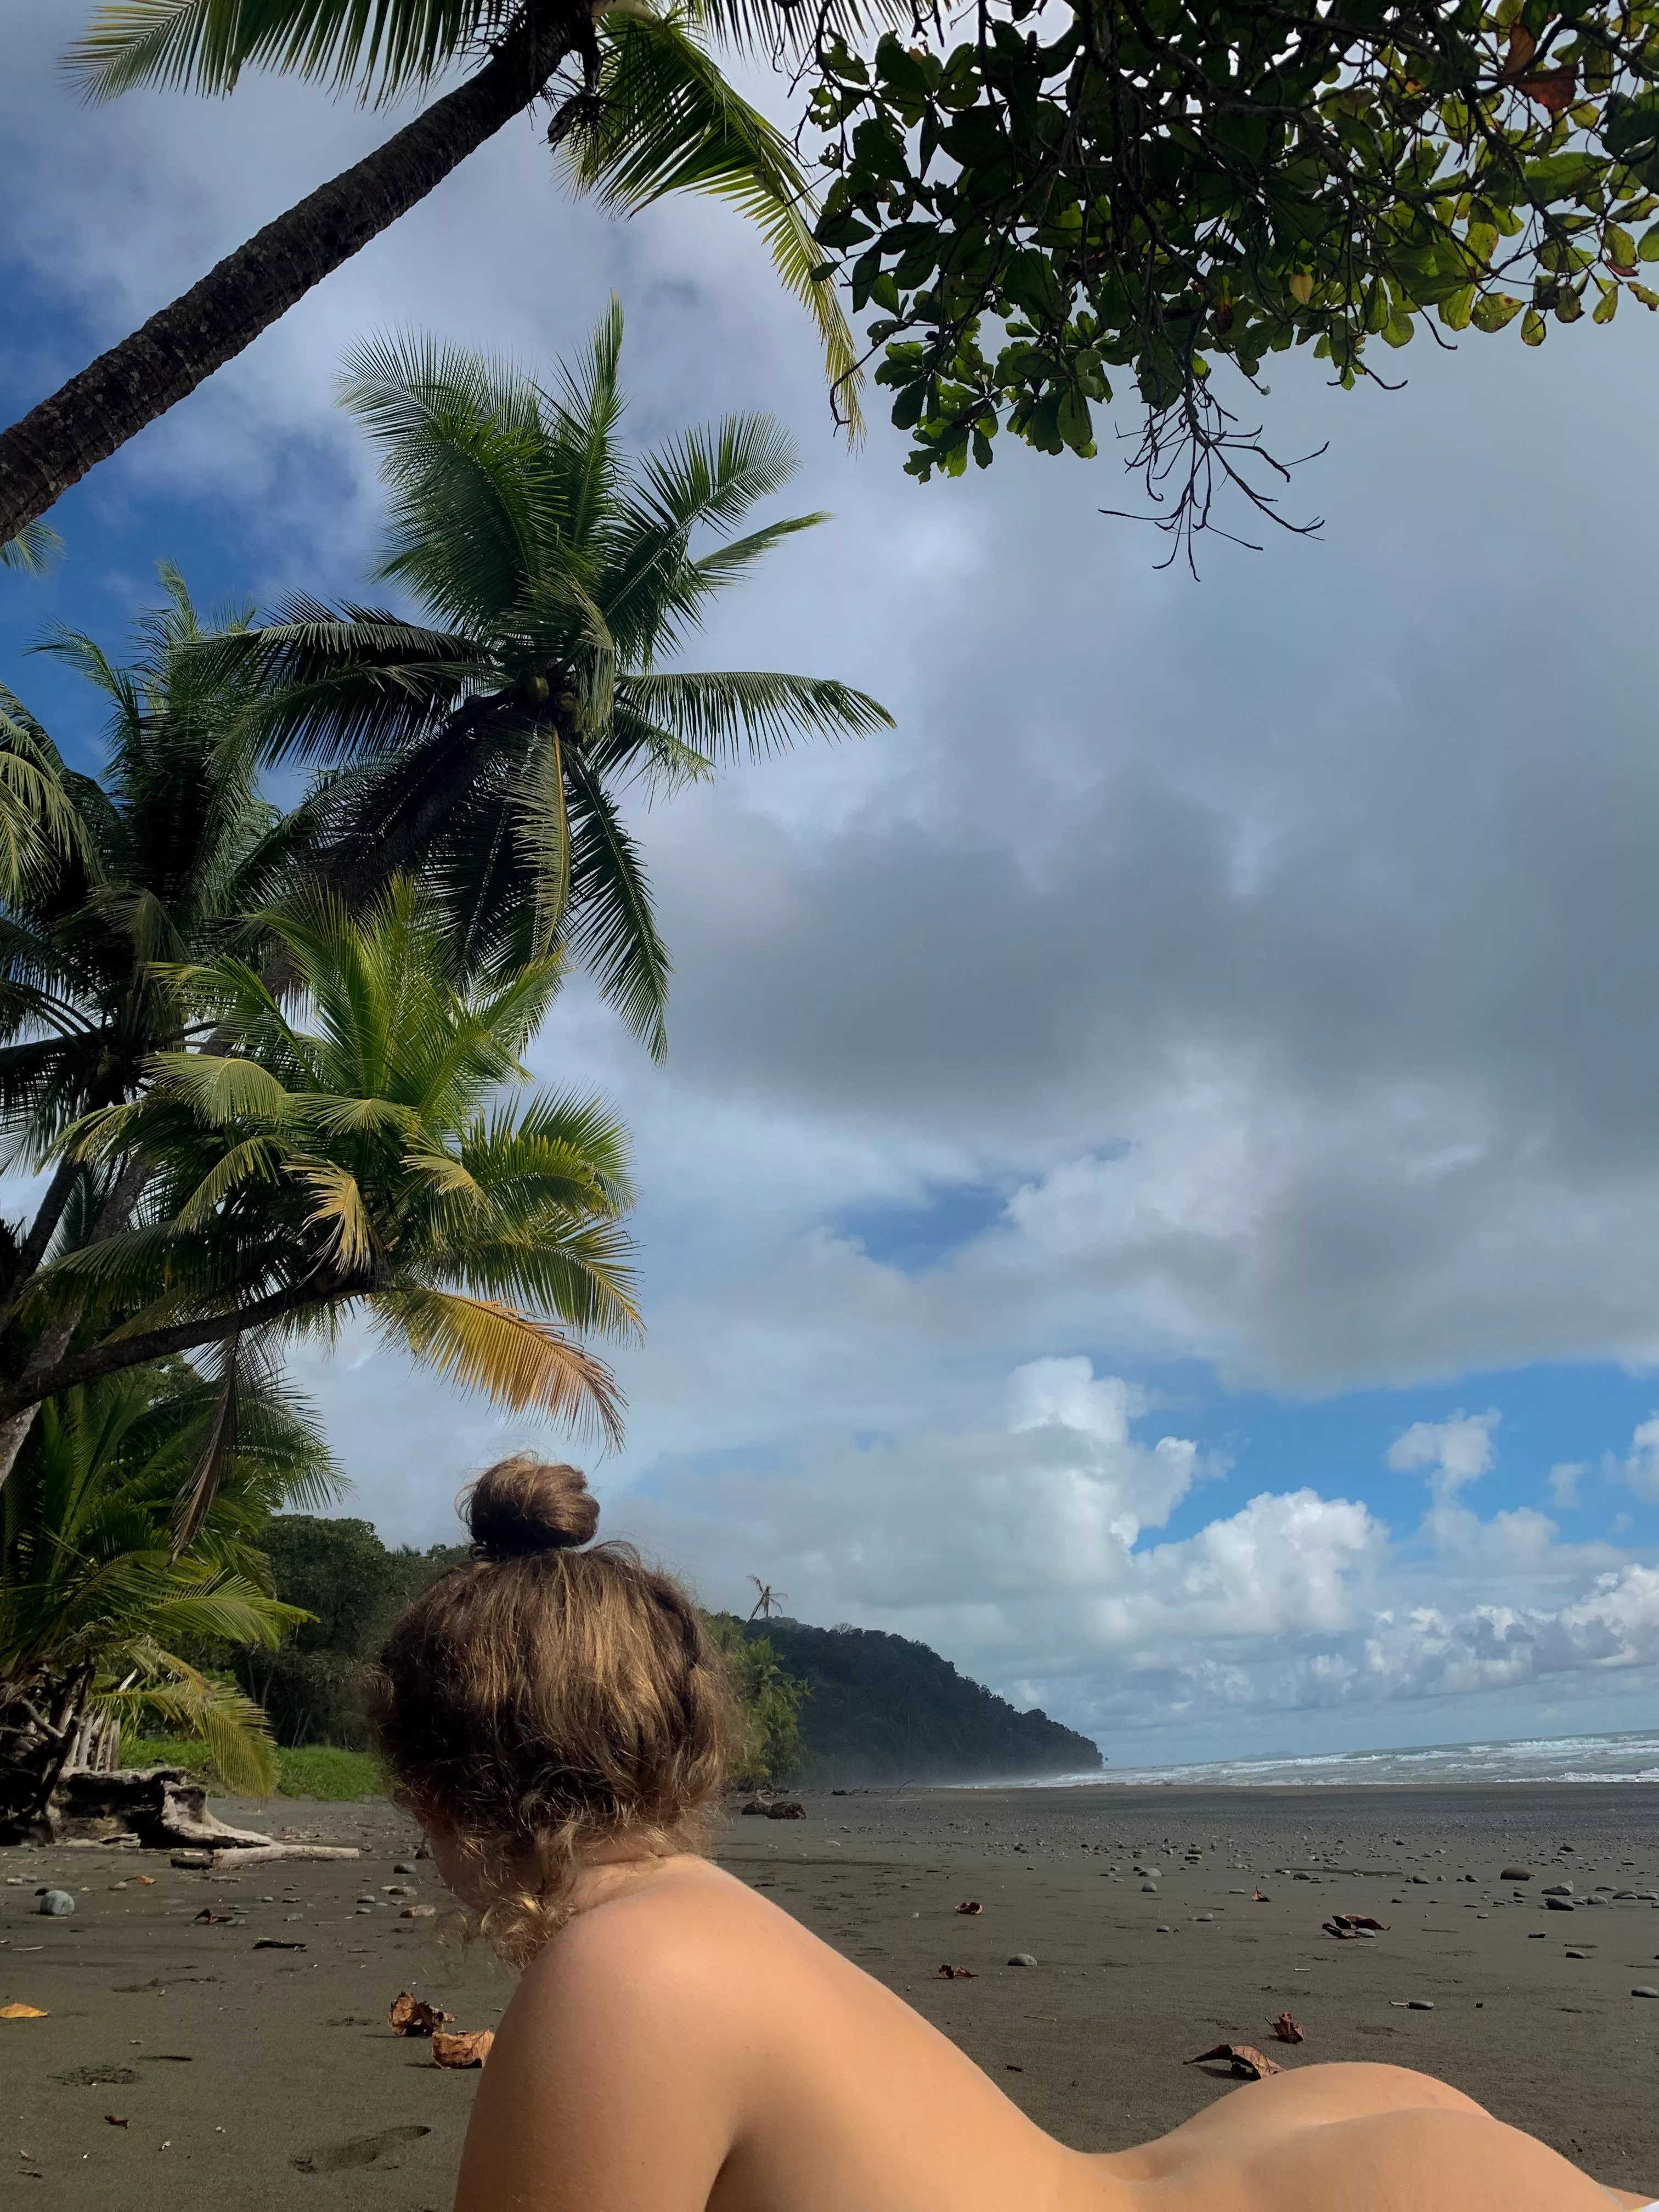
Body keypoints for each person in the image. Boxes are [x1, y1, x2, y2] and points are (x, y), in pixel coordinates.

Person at [374, 1454, 1655, 2212]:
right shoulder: (697, 1926)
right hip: (1300, 2153)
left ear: (428, 1789)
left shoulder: (624, 1973)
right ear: (688, 1745)